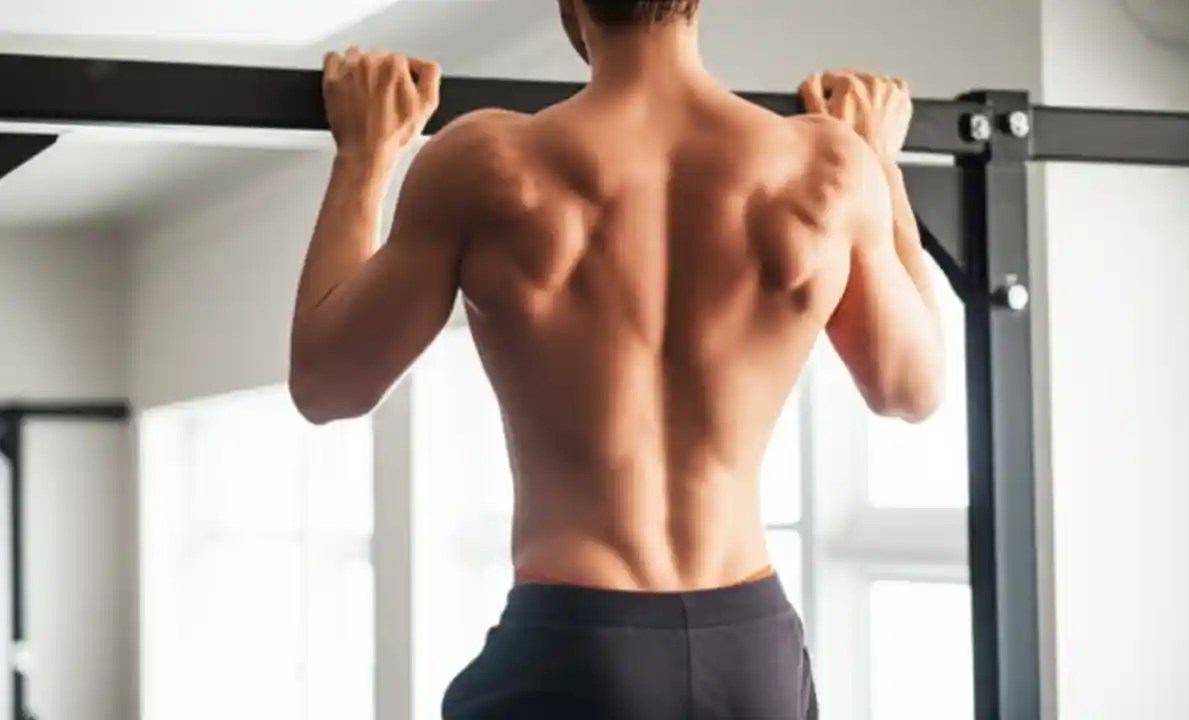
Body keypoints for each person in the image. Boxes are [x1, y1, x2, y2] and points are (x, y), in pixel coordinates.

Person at [289, 0, 944, 716]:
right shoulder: (828, 166)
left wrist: (363, 158)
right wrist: (882, 166)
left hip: (576, 642)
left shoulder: (489, 162)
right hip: (748, 648)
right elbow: (911, 389)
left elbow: (328, 386)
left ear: (572, 6)